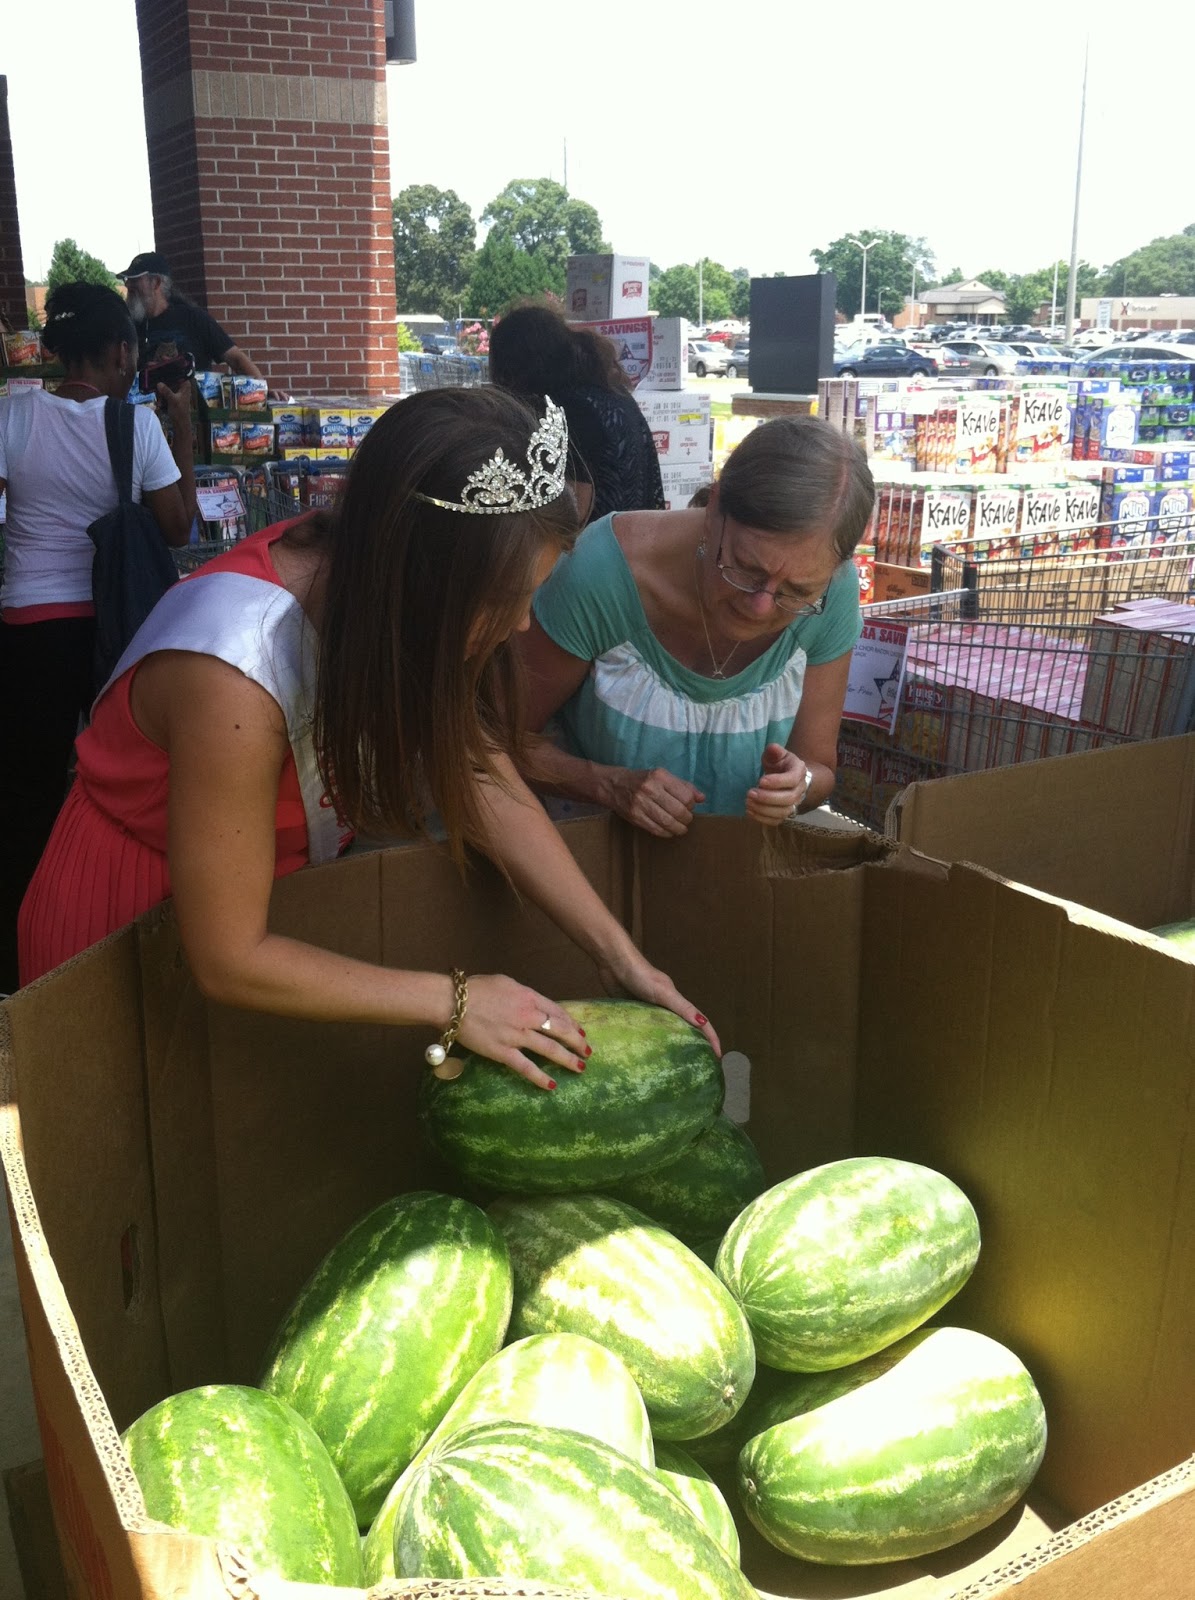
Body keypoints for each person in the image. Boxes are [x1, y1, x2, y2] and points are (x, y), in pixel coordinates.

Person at [19, 386, 717, 1084]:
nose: (523, 627)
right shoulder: (230, 675)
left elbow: (478, 771)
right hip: (131, 922)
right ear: (420, 578)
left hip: (272, 919)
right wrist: (458, 1000)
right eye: (506, 602)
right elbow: (229, 956)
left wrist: (619, 956)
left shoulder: (381, 599)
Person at [518, 416, 874, 836]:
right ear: (714, 509)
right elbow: (499, 742)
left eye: (798, 591)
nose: (760, 607)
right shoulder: (600, 574)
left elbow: (820, 767)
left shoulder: (834, 592)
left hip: (729, 871)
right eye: (745, 567)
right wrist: (605, 784)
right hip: (594, 861)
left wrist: (800, 784)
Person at [0, 281, 195, 993]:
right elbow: (177, 528)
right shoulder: (133, 423)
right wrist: (182, 428)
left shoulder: (12, 416)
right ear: (122, 349)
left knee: (25, 790)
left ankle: (19, 961)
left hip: (29, 626)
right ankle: (107, 926)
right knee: (117, 777)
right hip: (112, 628)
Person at [489, 299, 665, 526]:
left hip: (598, 551)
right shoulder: (610, 393)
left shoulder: (566, 410)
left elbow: (574, 506)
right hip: (634, 545)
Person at [118, 252, 266, 381]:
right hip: (146, 411)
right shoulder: (129, 326)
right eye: (127, 280)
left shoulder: (193, 318)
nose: (128, 285)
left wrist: (262, 393)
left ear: (156, 282)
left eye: (135, 280)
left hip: (190, 411)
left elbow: (236, 358)